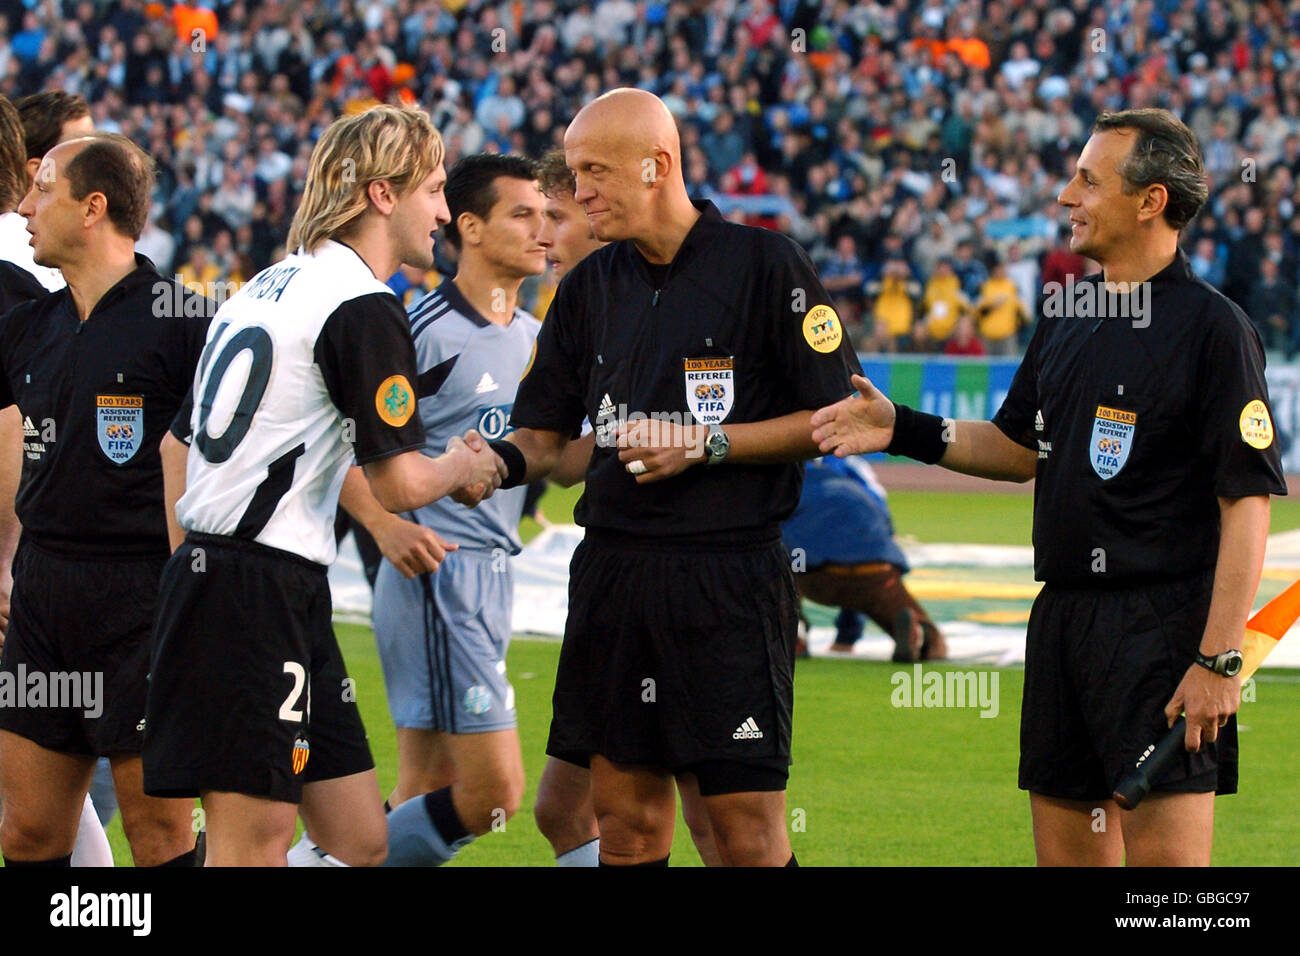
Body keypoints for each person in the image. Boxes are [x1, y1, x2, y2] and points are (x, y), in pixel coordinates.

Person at [812, 109, 1286, 866]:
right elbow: (1015, 446)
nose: (1066, 195)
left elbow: (1247, 504)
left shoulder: (1214, 331)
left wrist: (1219, 661)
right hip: (1062, 619)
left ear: (1150, 201)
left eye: (1088, 179)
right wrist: (900, 426)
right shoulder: (1070, 315)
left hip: (1160, 632)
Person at [489, 89, 860, 867]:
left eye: (594, 170)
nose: (577, 189)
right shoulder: (589, 287)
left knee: (743, 834)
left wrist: (707, 443)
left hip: (726, 578)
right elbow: (542, 433)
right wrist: (481, 463)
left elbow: (839, 420)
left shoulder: (765, 265)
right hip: (615, 577)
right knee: (625, 826)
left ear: (658, 166)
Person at [142, 105, 505, 867]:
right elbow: (404, 481)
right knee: (255, 842)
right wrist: (467, 466)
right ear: (382, 193)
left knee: (357, 836)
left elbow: (176, 444)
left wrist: (194, 557)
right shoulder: (364, 304)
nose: (444, 209)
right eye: (435, 188)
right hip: (256, 590)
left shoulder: (266, 285)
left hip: (266, 584)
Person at [0, 132, 208, 868]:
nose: (24, 207)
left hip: (143, 599)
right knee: (27, 833)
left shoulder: (187, 321)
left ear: (93, 207)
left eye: (42, 192)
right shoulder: (28, 326)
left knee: (158, 835)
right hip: (43, 596)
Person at [338, 153, 549, 867]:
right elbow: (337, 441)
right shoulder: (417, 327)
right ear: (471, 227)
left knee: (428, 783)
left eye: (547, 213)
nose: (543, 228)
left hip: (492, 574)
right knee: (497, 792)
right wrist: (384, 524)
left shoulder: (531, 336)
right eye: (522, 213)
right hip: (437, 575)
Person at [524, 148, 720, 867]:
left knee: (716, 823)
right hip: (609, 580)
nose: (546, 235)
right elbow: (586, 448)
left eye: (559, 216)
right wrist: (501, 460)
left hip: (699, 580)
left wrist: (706, 446)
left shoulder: (679, 288)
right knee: (568, 807)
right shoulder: (584, 303)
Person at [0, 95, 119, 868]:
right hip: (53, 561)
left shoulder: (15, 270)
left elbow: (15, 419)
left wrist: (10, 553)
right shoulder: (30, 267)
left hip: (48, 565)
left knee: (47, 805)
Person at [782, 455, 947, 661]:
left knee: (781, 566)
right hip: (875, 569)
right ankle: (921, 635)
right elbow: (881, 519)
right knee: (934, 644)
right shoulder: (851, 466)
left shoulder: (779, 470)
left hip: (811, 569)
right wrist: (847, 636)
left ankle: (792, 625)